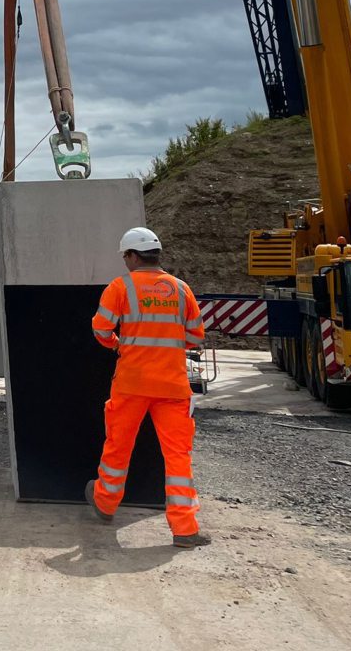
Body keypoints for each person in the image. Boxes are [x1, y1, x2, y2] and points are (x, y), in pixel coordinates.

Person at [86, 227, 209, 548]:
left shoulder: (120, 287)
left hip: (131, 383)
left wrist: (118, 344)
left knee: (118, 447)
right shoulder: (181, 289)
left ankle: (105, 502)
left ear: (131, 256)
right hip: (172, 385)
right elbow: (196, 336)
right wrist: (167, 344)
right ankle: (185, 529)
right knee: (178, 456)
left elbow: (100, 329)